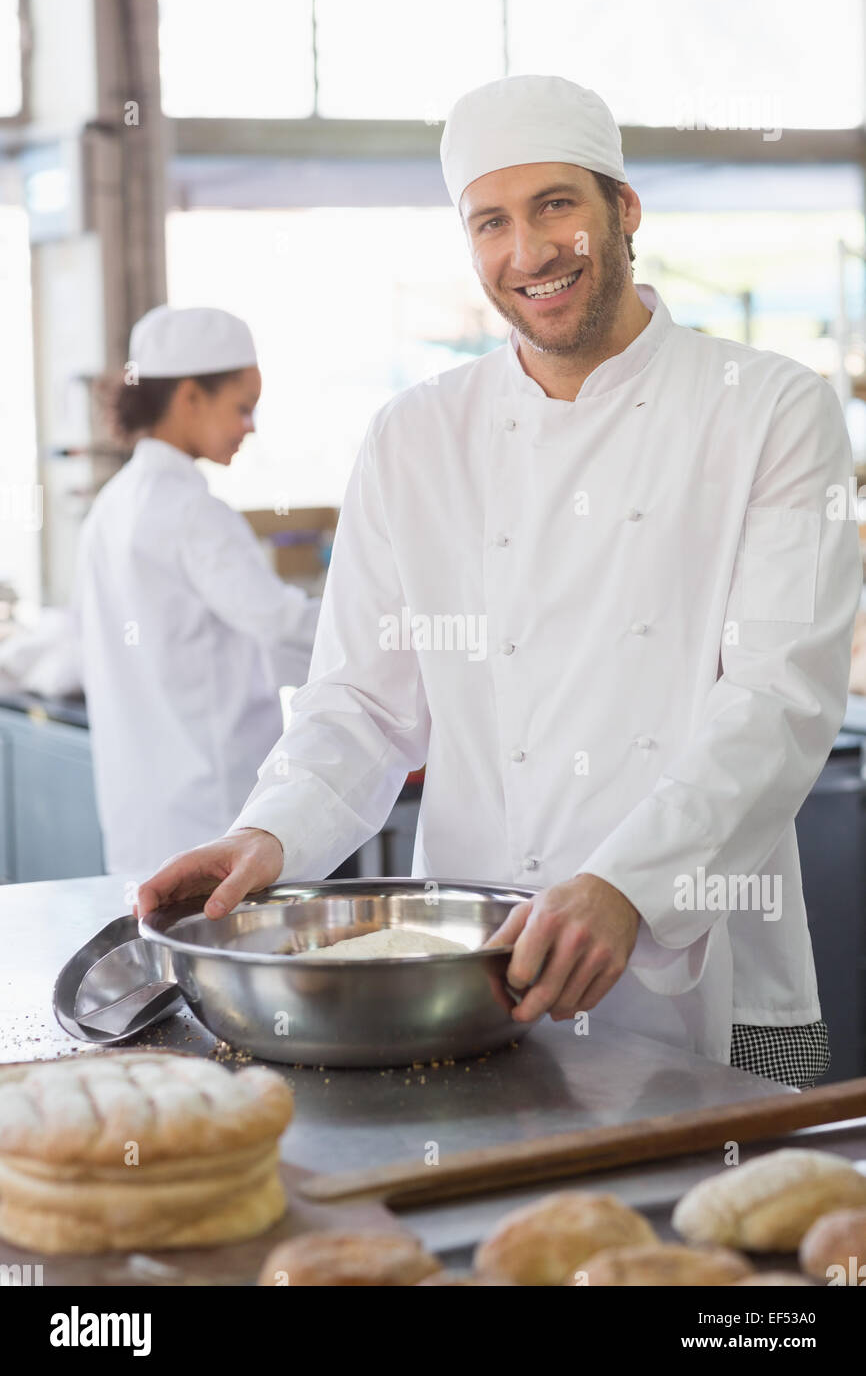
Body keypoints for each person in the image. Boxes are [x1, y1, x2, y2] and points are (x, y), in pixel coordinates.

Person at [136, 78, 862, 1088]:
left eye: (556, 205)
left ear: (623, 210)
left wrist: (624, 884)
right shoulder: (414, 435)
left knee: (702, 1233)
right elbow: (360, 706)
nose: (528, 252)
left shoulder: (770, 410)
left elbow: (778, 700)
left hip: (695, 960)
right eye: (492, 221)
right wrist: (271, 832)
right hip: (466, 975)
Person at [74, 305, 320, 876]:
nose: (250, 426)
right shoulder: (192, 513)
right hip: (214, 808)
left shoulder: (112, 505)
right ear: (189, 398)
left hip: (144, 814)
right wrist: (391, 630)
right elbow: (282, 628)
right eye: (242, 406)